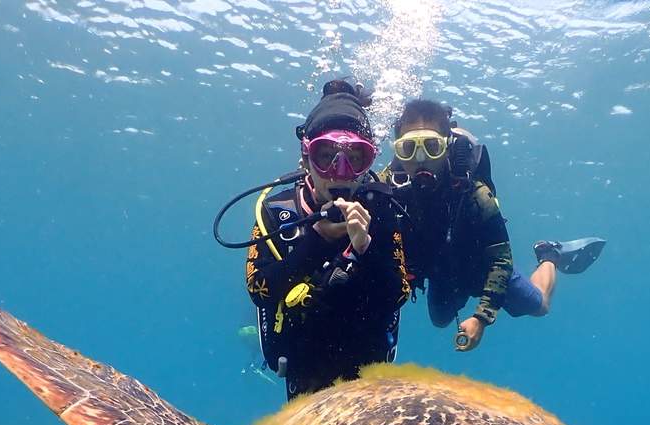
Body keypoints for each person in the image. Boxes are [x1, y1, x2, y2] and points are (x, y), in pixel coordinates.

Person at [383, 98, 605, 352]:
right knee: (440, 320)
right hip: (441, 272)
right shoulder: (389, 189)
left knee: (540, 305)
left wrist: (482, 317)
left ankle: (549, 255)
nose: (419, 160)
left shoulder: (475, 195)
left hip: (483, 268)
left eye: (431, 147)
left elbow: (501, 259)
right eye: (408, 148)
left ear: (446, 147)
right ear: (397, 152)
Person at [245, 80, 409, 399]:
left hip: (366, 365)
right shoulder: (279, 212)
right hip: (304, 360)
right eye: (326, 156)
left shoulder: (381, 210)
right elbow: (259, 289)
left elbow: (399, 293)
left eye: (355, 158)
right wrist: (315, 241)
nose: (340, 172)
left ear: (369, 163)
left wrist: (366, 248)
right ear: (306, 158)